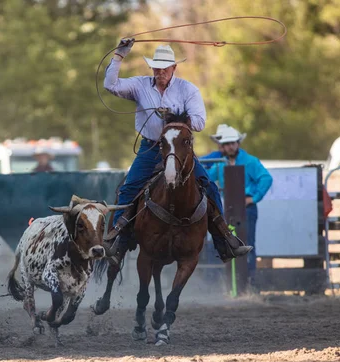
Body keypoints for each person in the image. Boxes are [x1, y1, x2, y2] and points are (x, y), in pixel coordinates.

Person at [102, 39, 252, 266]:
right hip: (152, 146)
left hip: (180, 149)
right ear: (152, 68)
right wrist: (119, 55)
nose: (160, 72)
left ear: (173, 68)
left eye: (165, 68)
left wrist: (173, 115)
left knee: (208, 185)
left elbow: (200, 122)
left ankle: (224, 239)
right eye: (157, 68)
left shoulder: (188, 89)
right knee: (129, 187)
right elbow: (110, 85)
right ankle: (116, 237)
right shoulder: (140, 85)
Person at [207, 124, 273, 285]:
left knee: (247, 242)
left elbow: (266, 178)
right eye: (226, 144)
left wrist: (253, 198)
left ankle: (248, 281)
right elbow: (207, 177)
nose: (229, 147)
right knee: (222, 242)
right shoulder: (220, 163)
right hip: (228, 208)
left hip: (246, 208)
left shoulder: (249, 161)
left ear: (238, 143)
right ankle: (229, 282)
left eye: (232, 143)